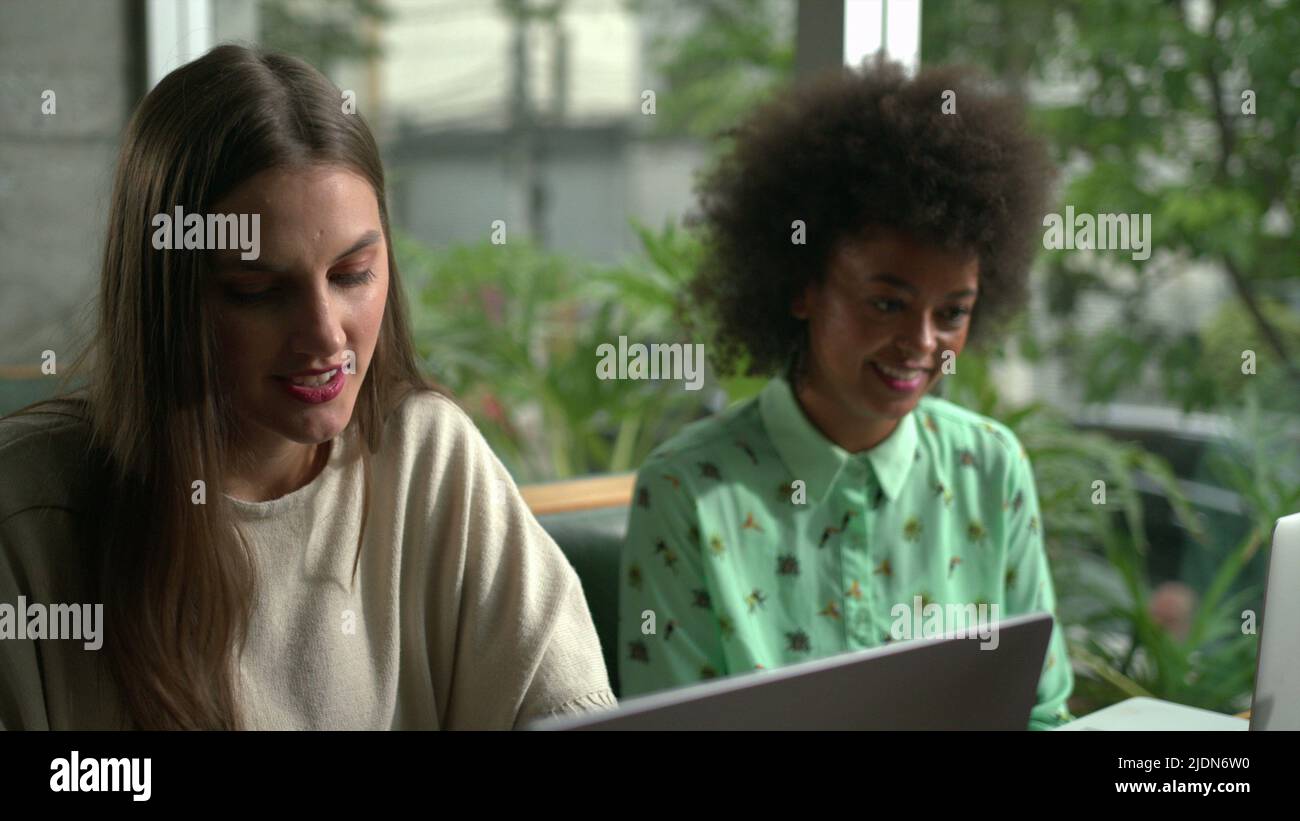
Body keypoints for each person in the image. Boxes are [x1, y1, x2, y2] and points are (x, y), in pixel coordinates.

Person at [0, 44, 614, 730]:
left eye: (353, 274)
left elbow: (572, 709)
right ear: (166, 301)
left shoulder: (427, 459)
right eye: (258, 291)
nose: (325, 335)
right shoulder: (26, 516)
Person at [617, 59, 1074, 729]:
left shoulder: (991, 467)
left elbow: (1042, 713)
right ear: (803, 286)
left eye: (952, 312)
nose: (921, 342)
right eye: (887, 302)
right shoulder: (689, 491)